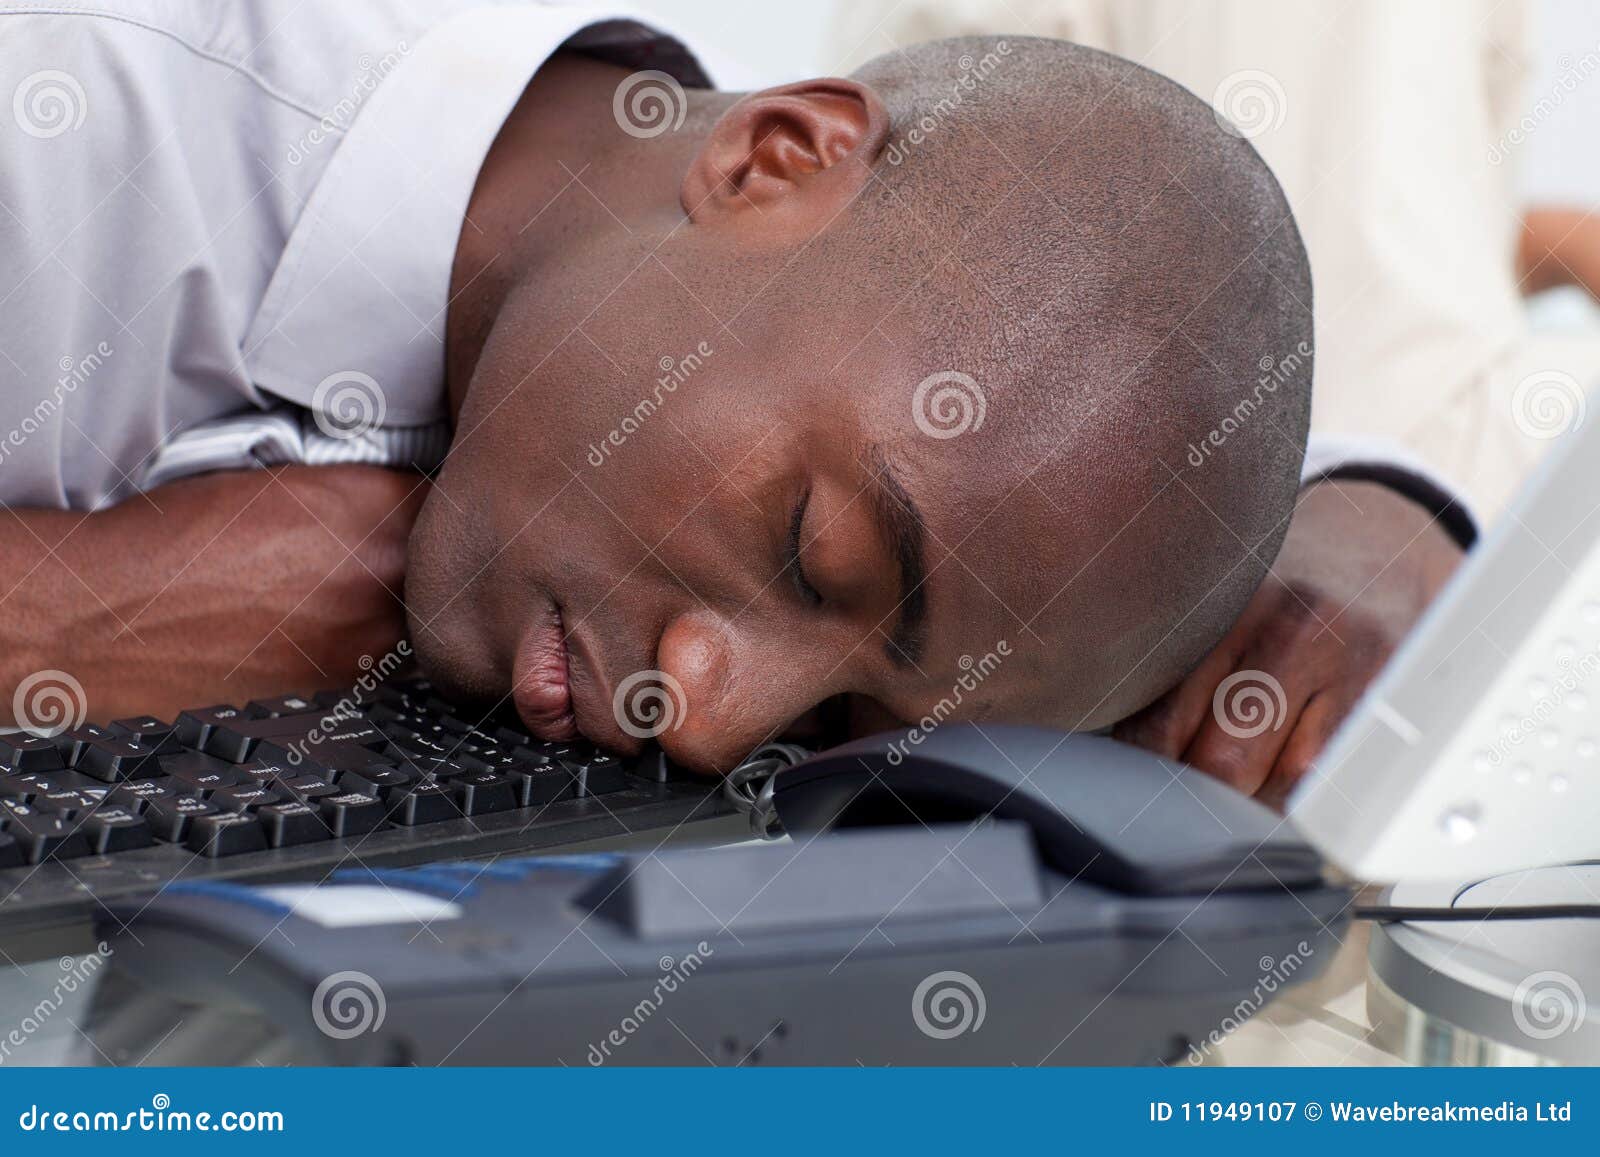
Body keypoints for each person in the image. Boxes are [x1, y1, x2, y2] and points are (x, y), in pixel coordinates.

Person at [0, 1, 1458, 804]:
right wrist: (71, 624)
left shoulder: (815, 271)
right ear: (767, 162)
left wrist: (1360, 543)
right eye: (808, 555)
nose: (704, 712)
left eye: (836, 711)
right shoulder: (70, 114)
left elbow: (1083, 456)